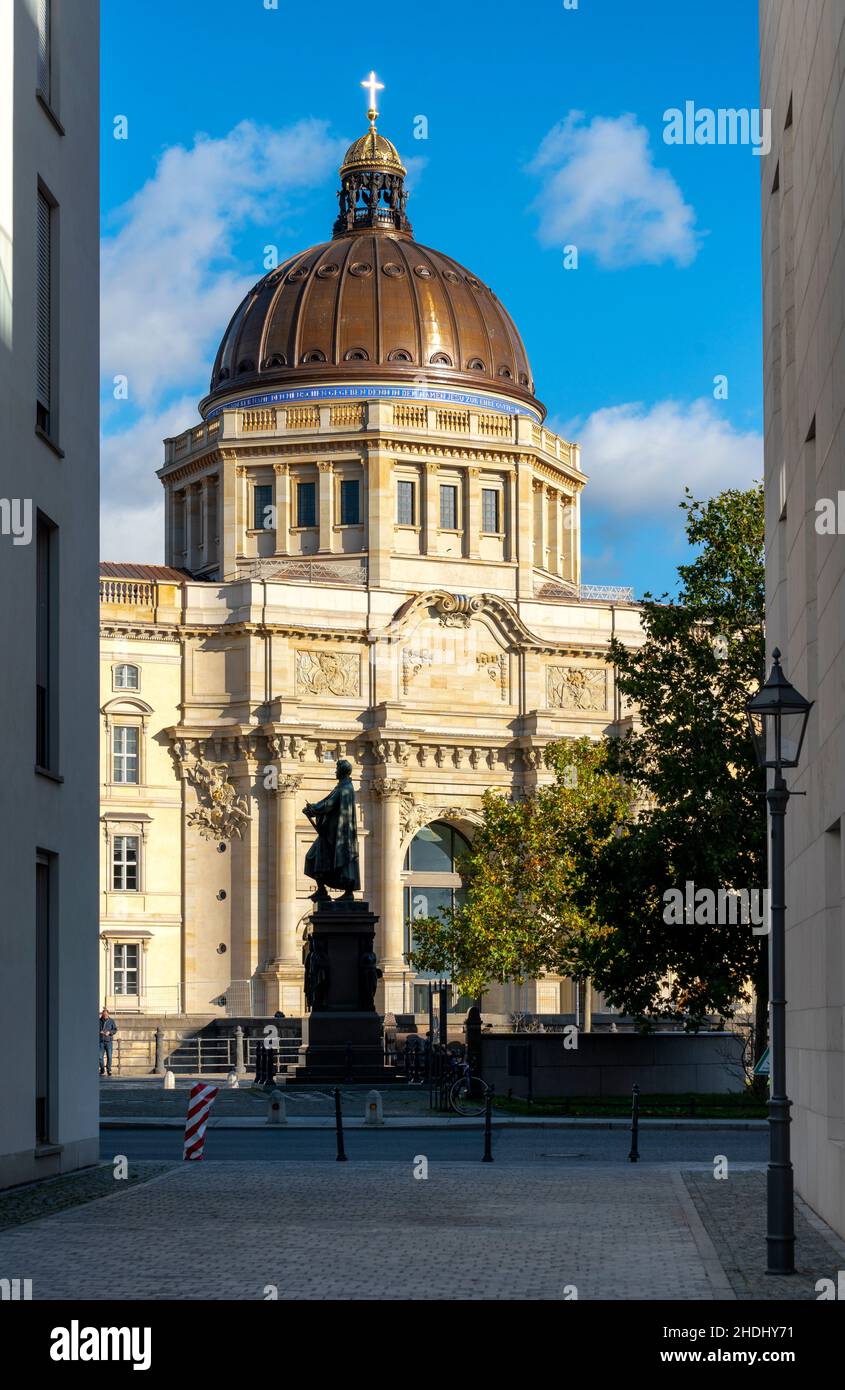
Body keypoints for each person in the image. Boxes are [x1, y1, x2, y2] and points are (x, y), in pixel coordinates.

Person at [99, 1008, 117, 1076]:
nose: (105, 1016)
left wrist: (110, 1032)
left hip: (108, 1041)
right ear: (102, 1014)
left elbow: (115, 1030)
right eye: (104, 1014)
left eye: (106, 1014)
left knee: (109, 1056)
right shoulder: (99, 1021)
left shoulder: (111, 1021)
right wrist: (100, 1032)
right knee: (100, 1057)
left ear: (108, 1014)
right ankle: (102, 1069)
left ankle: (109, 1069)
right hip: (101, 1041)